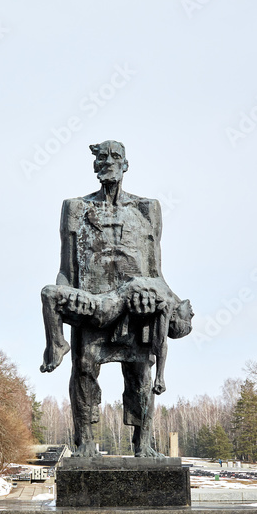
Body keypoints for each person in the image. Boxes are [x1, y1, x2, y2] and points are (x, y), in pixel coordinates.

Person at [40, 140, 192, 457]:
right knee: (83, 369)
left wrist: (173, 305)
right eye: (102, 157)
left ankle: (144, 444)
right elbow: (65, 269)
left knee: (140, 373)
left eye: (115, 156)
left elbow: (155, 270)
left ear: (125, 164)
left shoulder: (147, 209)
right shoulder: (75, 208)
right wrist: (66, 300)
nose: (108, 161)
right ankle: (85, 445)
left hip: (138, 310)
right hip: (93, 306)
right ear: (95, 165)